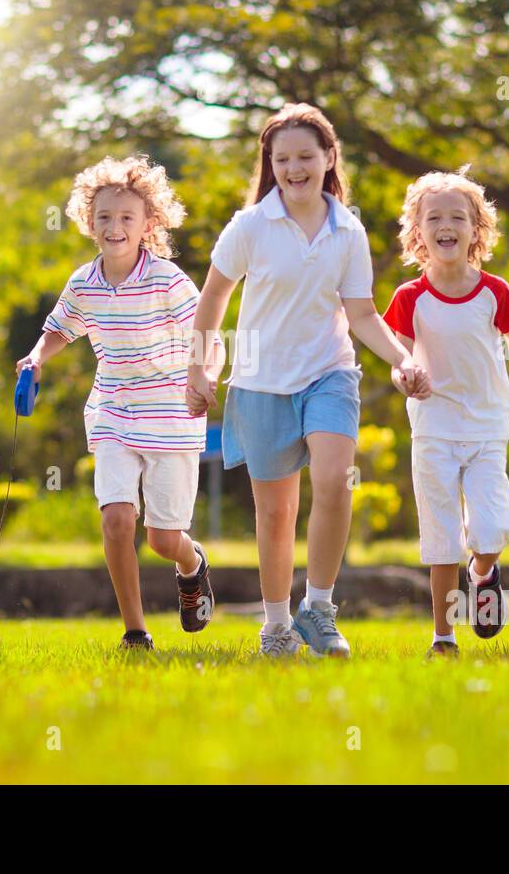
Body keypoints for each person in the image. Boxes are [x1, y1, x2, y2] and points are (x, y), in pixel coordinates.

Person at [186, 103, 428, 658]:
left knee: (336, 478)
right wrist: (199, 368)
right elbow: (213, 298)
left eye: (305, 157)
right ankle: (275, 627)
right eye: (282, 159)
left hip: (329, 374)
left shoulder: (348, 230)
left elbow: (362, 313)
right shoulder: (250, 226)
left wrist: (401, 359)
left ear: (328, 158)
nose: (294, 168)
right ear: (270, 165)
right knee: (275, 514)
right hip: (260, 383)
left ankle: (318, 608)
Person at [17, 155, 224, 650]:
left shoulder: (169, 281)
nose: (115, 227)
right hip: (112, 412)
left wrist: (206, 378)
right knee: (115, 518)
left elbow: (209, 337)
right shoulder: (84, 283)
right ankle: (136, 632)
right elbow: (57, 330)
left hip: (172, 419)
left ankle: (192, 564)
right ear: (89, 222)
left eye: (126, 218)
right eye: (105, 217)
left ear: (147, 224)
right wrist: (35, 358)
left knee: (161, 540)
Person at [381, 167, 509, 658]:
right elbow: (399, 357)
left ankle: (483, 572)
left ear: (476, 230)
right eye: (435, 217)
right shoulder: (409, 297)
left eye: (458, 216)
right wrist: (405, 375)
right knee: (441, 538)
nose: (446, 224)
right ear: (418, 231)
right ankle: (444, 637)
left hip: (488, 426)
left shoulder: (495, 291)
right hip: (432, 429)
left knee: (492, 527)